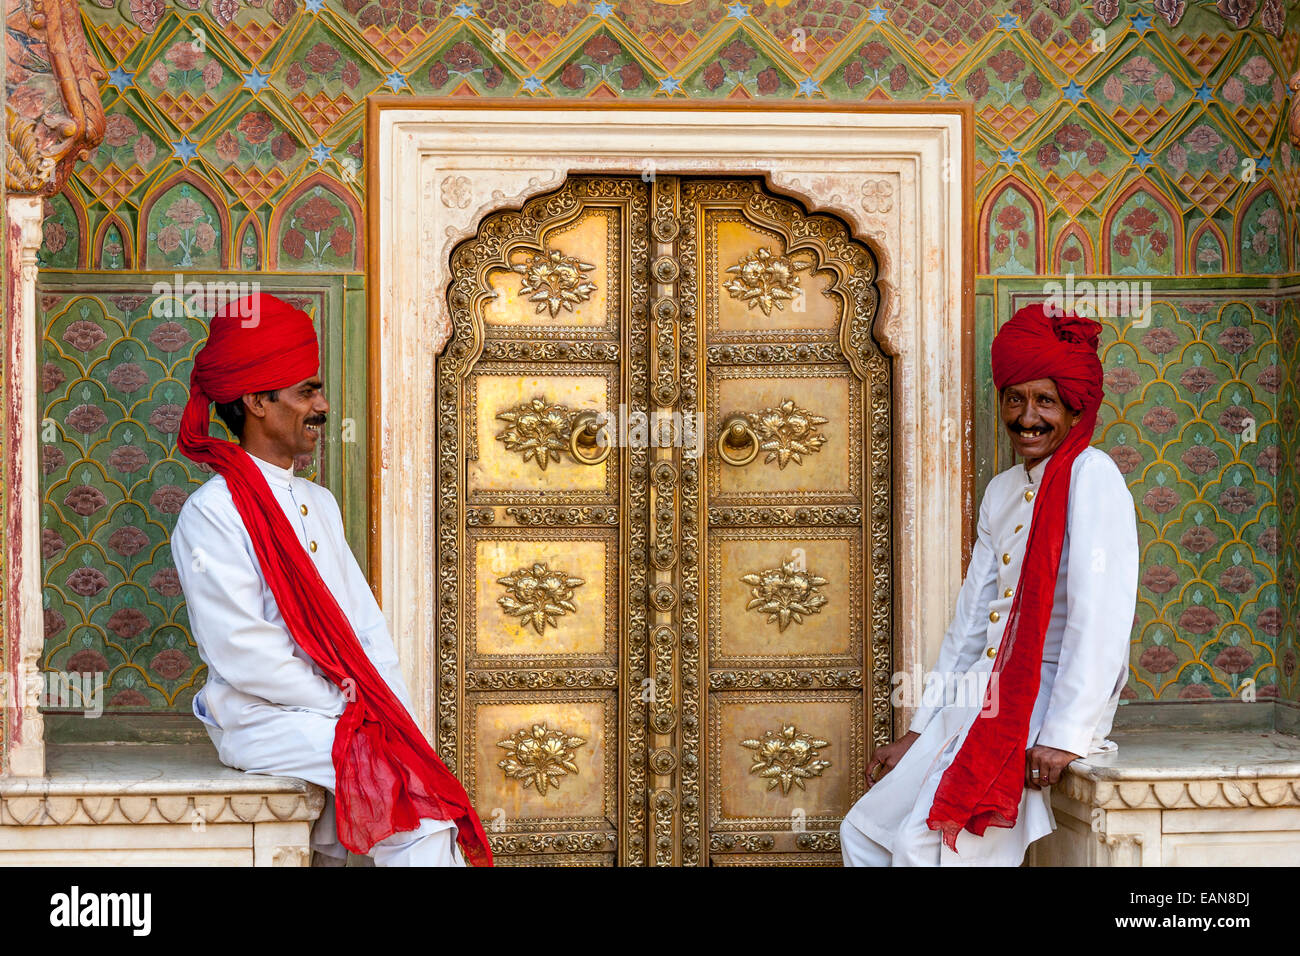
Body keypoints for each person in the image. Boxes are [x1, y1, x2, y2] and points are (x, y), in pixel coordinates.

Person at [170, 293, 492, 867]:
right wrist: (345, 708)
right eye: (306, 391)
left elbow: (364, 628)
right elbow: (243, 653)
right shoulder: (213, 512)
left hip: (340, 712)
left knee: (407, 788)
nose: (322, 405)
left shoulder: (318, 503)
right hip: (262, 719)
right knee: (413, 809)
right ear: (257, 400)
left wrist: (385, 711)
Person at [840, 302, 1138, 866]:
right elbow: (972, 623)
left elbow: (1102, 615)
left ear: (1074, 410)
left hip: (1040, 702)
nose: (1027, 416)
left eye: (1045, 401)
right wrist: (921, 729)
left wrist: (1067, 730)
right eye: (1015, 398)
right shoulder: (1004, 491)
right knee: (865, 831)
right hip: (978, 698)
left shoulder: (1092, 477)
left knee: (925, 848)